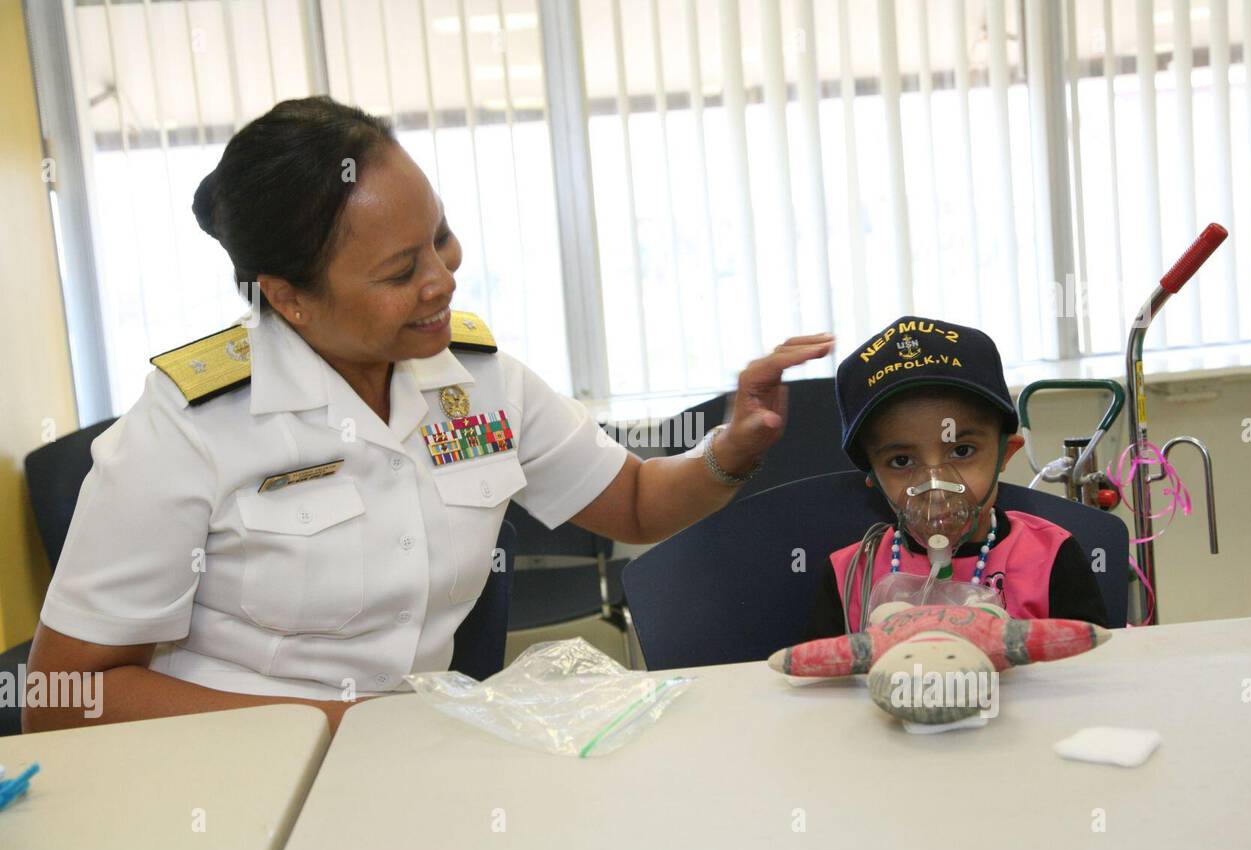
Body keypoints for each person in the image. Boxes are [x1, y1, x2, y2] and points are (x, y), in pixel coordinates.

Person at [25, 97, 832, 736]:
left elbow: (632, 502)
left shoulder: (475, 381)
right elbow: (65, 696)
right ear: (289, 298)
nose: (443, 279)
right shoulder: (191, 427)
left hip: (406, 759)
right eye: (399, 270)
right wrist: (341, 726)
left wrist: (732, 448)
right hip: (235, 780)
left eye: (440, 238)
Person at [805, 317, 1108, 639]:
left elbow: (1089, 676)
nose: (935, 489)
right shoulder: (850, 575)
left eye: (961, 451)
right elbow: (828, 681)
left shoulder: (1050, 557)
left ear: (1005, 454)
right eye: (902, 460)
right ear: (873, 478)